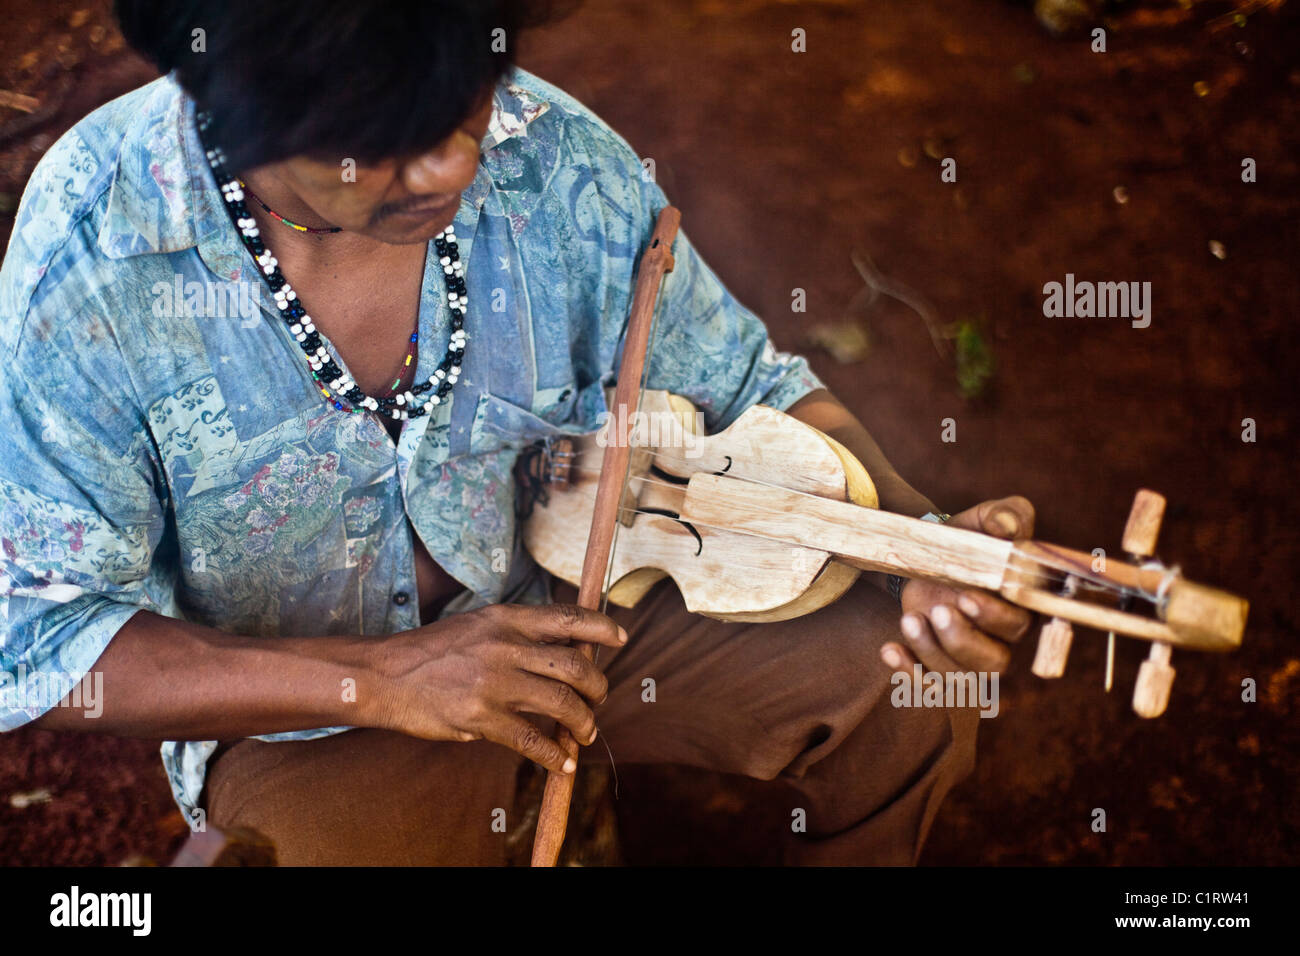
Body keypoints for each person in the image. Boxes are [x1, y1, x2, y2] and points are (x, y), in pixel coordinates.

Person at [0, 0, 1034, 864]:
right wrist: (390, 681)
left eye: (466, 109)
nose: (452, 168)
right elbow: (43, 640)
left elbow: (750, 382)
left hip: (596, 607)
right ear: (239, 113)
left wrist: (919, 543)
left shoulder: (552, 155)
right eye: (389, 144)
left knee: (906, 678)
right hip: (319, 715)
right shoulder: (97, 255)